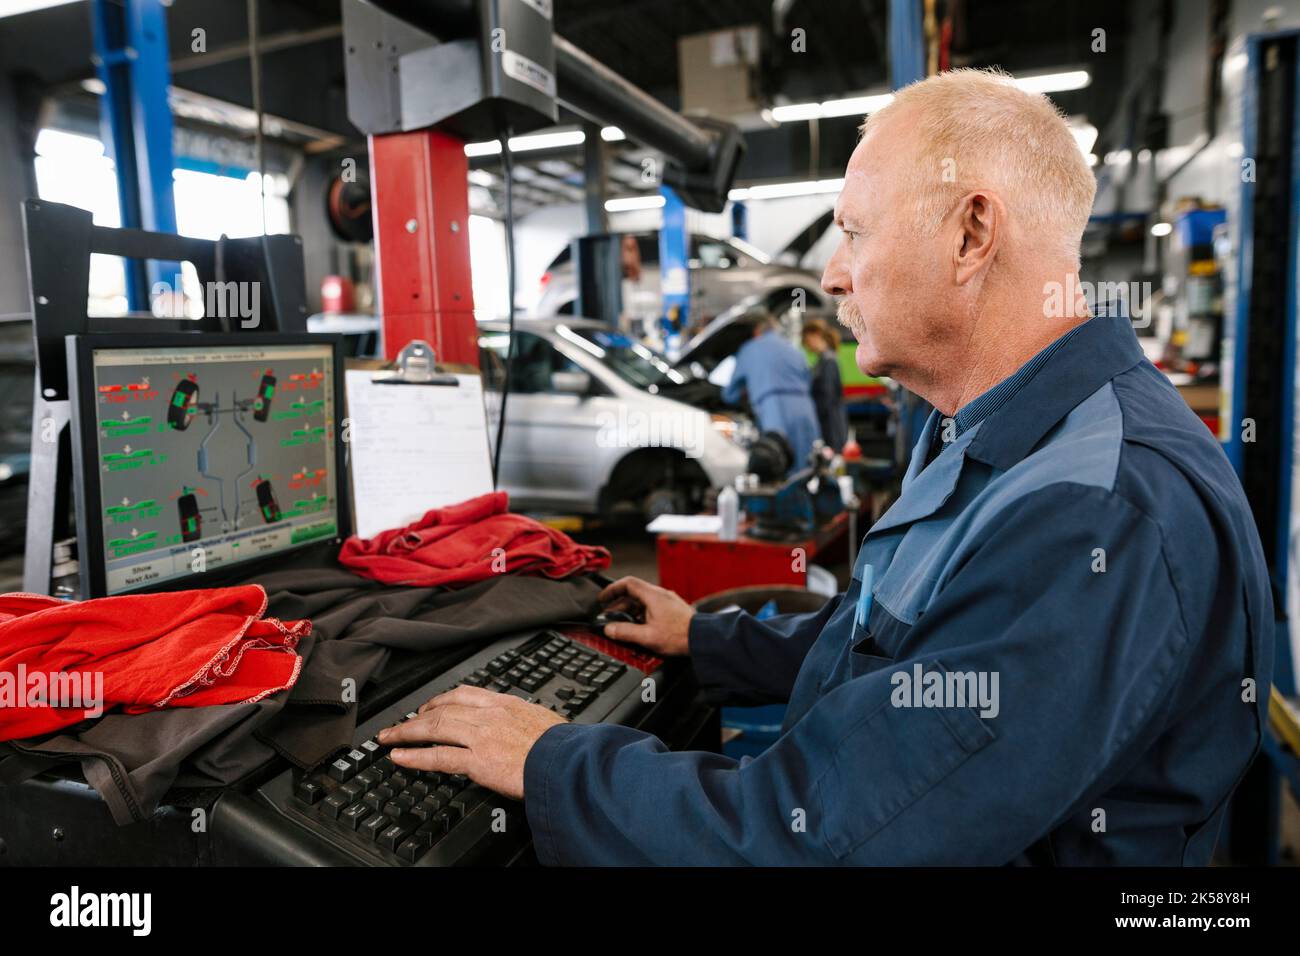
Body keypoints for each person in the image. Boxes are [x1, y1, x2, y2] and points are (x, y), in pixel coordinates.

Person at [378, 68, 1272, 865]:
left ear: (971, 235)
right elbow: (908, 653)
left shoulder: (1095, 509)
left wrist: (552, 762)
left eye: (854, 232)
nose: (834, 275)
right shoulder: (990, 427)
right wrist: (707, 639)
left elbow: (820, 833)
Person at [721, 310, 822, 468]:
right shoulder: (794, 349)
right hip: (805, 407)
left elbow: (729, 394)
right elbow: (808, 378)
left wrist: (746, 392)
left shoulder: (749, 349)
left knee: (777, 461)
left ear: (756, 331)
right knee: (809, 463)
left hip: (774, 406)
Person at [801, 317, 849, 453]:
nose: (806, 345)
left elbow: (828, 399)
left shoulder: (828, 361)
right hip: (829, 425)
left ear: (816, 335)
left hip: (830, 428)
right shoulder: (824, 360)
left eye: (807, 340)